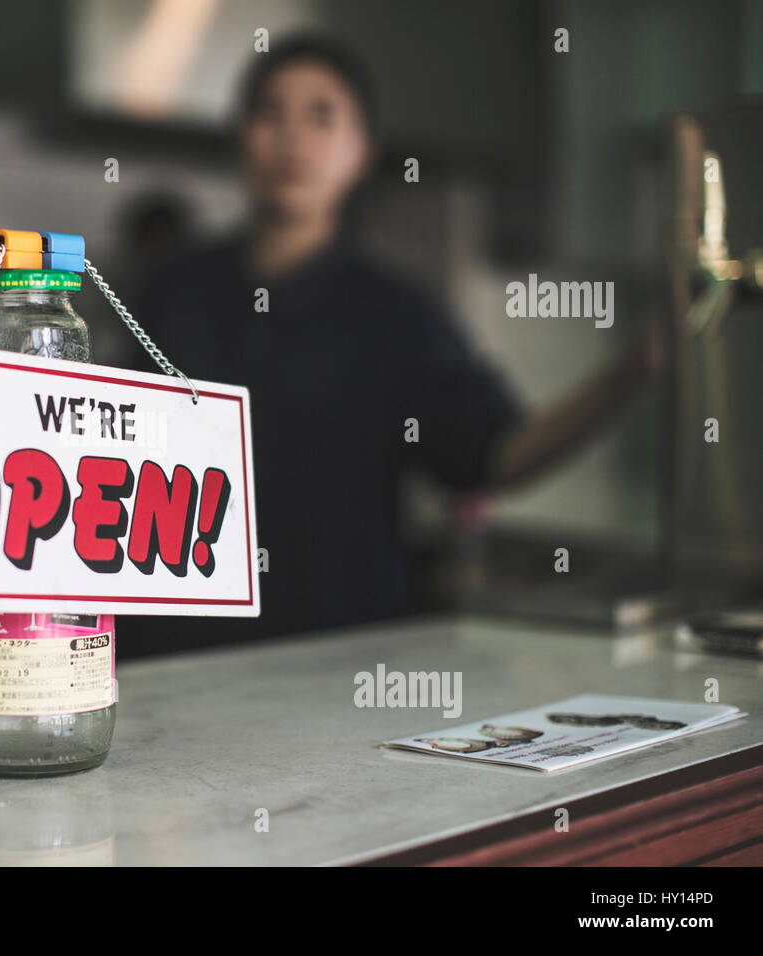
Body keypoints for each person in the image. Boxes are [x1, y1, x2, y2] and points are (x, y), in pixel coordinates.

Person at [117, 35, 658, 655]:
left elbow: (492, 453)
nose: (293, 138)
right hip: (167, 657)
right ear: (242, 136)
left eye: (322, 116)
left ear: (360, 153)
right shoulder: (172, 287)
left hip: (336, 657)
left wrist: (633, 369)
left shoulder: (396, 313)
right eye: (271, 112)